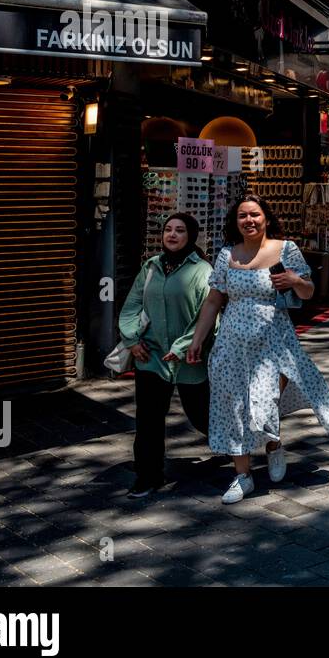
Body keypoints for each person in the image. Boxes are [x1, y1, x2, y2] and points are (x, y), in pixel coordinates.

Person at [188, 195, 329, 504]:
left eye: (255, 215)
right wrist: (198, 339)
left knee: (264, 401)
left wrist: (295, 279)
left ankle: (273, 445)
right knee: (232, 407)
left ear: (266, 219)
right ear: (236, 222)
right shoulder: (225, 255)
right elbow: (214, 300)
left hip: (272, 341)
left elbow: (309, 291)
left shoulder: (286, 250)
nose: (249, 220)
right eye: (242, 215)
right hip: (231, 342)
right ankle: (242, 475)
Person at [118, 212, 213, 498]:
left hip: (190, 357)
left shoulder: (202, 271)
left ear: (191, 236)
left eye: (180, 230)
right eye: (168, 230)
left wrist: (183, 347)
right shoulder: (150, 267)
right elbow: (132, 305)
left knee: (202, 415)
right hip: (152, 355)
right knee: (148, 419)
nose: (172, 235)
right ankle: (148, 475)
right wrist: (132, 339)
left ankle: (238, 446)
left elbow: (206, 315)